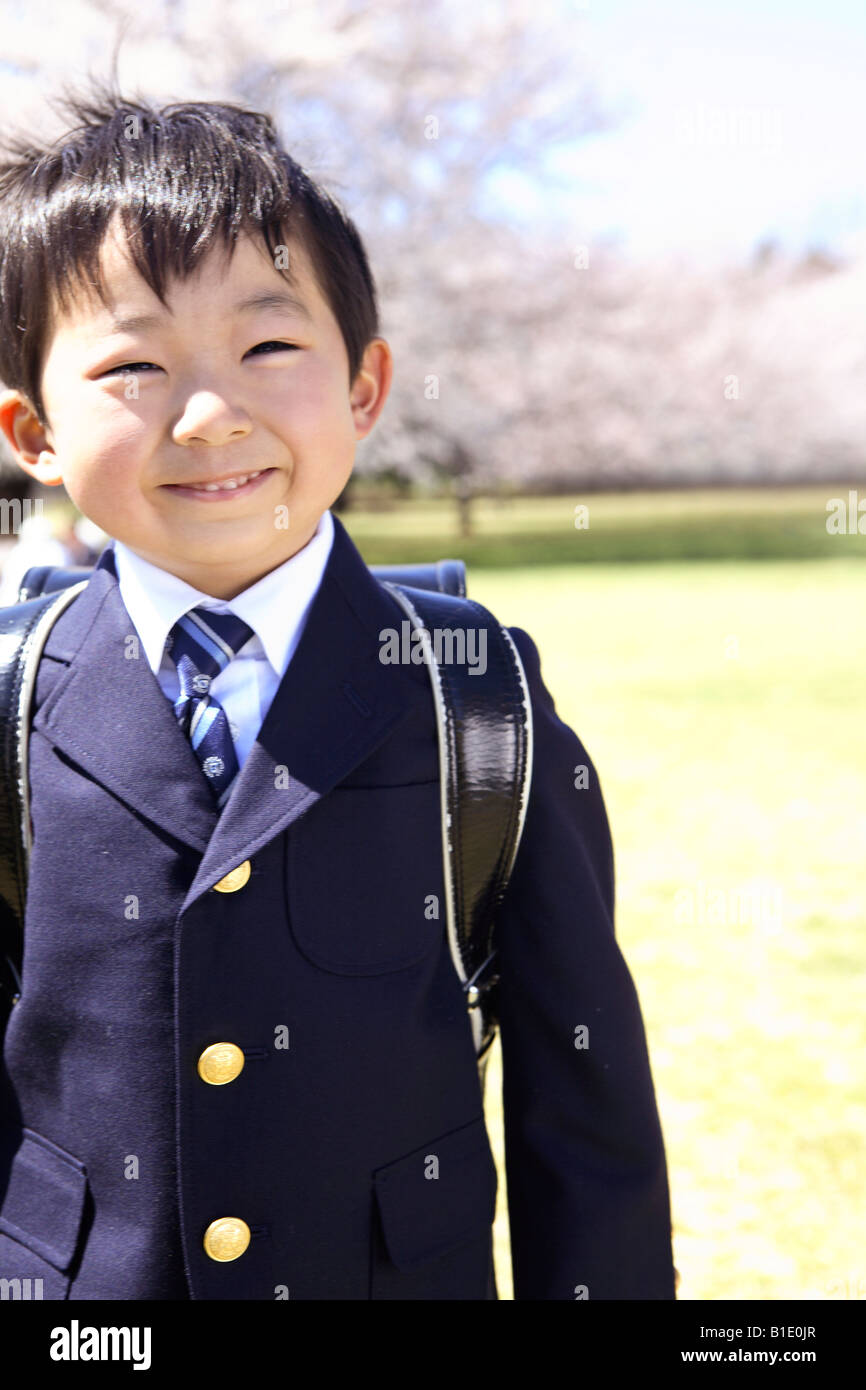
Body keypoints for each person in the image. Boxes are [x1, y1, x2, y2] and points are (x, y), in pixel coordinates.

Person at [0, 85, 676, 1300]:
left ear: (364, 387)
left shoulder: (479, 700)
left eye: (267, 347)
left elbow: (587, 1109)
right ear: (32, 430)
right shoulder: (6, 701)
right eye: (133, 365)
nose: (210, 416)